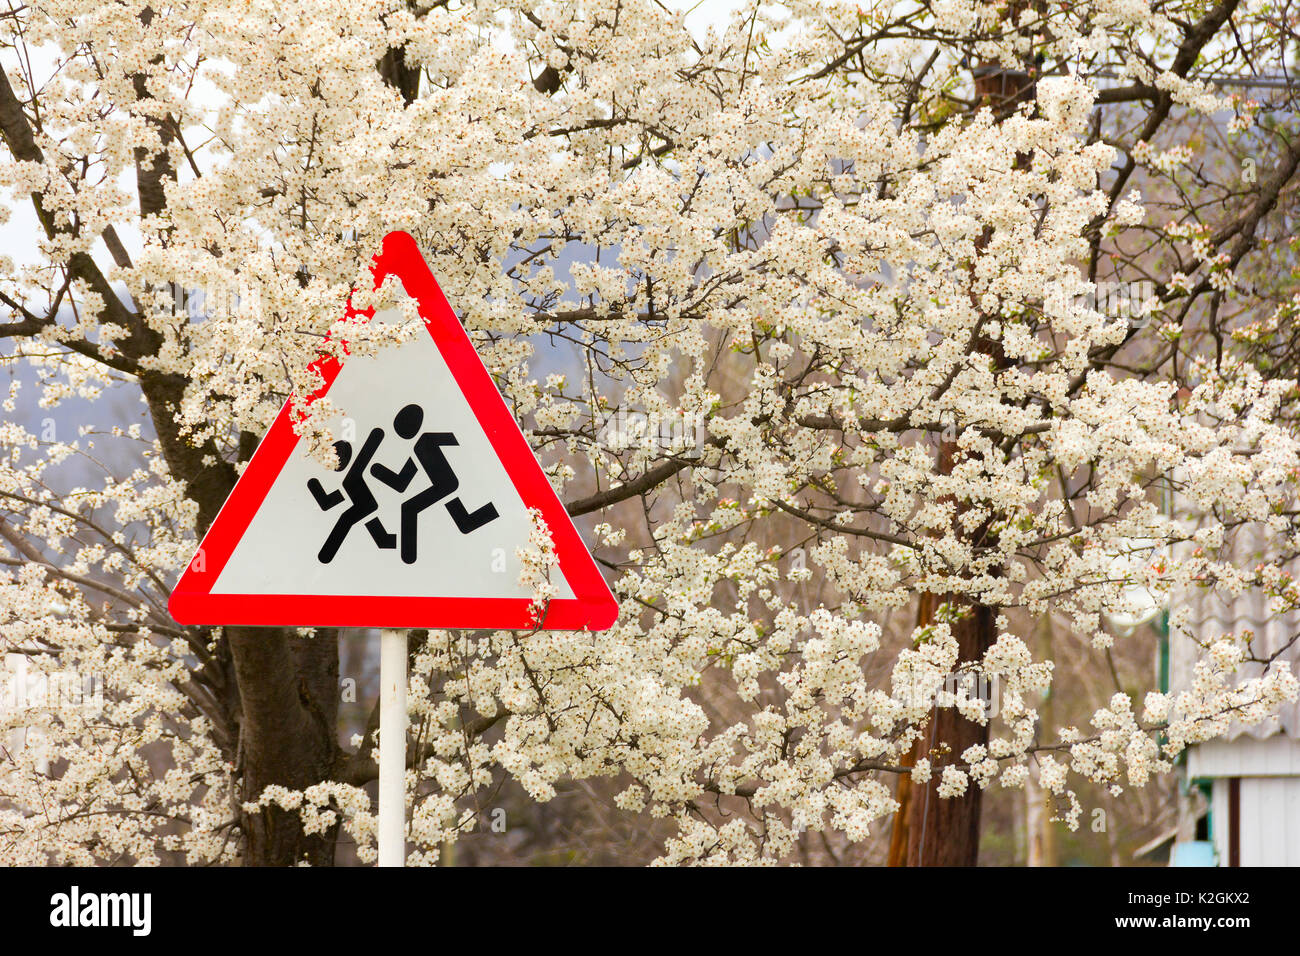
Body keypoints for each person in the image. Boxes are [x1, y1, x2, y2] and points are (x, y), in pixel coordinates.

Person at [370, 403, 499, 564]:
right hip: (447, 485)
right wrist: (379, 472)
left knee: (409, 508)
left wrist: (377, 470)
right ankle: (492, 511)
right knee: (464, 520)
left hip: (444, 484)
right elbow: (402, 482)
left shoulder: (423, 442)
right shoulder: (422, 443)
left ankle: (408, 557)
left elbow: (402, 481)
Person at [308, 432, 397, 563]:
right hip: (364, 501)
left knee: (346, 519)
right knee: (347, 519)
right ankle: (325, 556)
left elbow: (373, 443)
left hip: (365, 502)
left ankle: (326, 556)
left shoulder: (354, 470)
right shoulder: (352, 472)